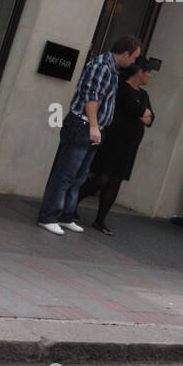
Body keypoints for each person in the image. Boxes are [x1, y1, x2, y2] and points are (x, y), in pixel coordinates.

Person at [36, 35, 141, 235]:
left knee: (79, 176)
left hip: (92, 127)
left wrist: (97, 127)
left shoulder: (112, 70)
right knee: (66, 174)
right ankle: (48, 216)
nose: (134, 62)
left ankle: (65, 215)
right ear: (126, 53)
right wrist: (94, 126)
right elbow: (90, 97)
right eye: (134, 57)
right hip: (82, 125)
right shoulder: (101, 67)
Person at [77, 56, 155, 234]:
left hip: (130, 146)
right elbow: (136, 110)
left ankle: (100, 220)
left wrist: (142, 112)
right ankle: (72, 203)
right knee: (102, 178)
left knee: (115, 181)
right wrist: (142, 112)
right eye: (148, 72)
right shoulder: (121, 89)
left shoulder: (143, 95)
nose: (150, 76)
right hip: (113, 141)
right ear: (138, 72)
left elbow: (150, 119)